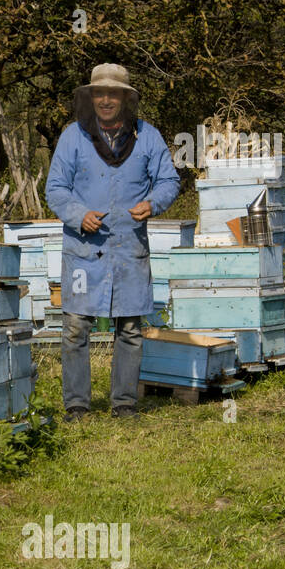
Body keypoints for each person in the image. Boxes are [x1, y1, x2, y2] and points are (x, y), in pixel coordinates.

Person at [44, 63, 179, 420]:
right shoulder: (73, 136)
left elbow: (169, 180)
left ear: (125, 98)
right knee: (75, 328)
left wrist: (153, 203)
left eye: (113, 93)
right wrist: (78, 214)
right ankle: (76, 404)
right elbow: (55, 188)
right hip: (84, 251)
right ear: (90, 98)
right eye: (99, 93)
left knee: (130, 328)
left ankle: (124, 404)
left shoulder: (147, 136)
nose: (106, 100)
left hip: (129, 247)